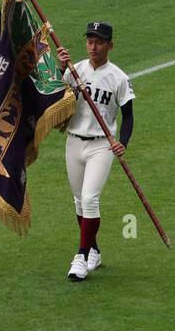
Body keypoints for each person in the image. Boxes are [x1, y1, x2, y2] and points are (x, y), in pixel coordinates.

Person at [56, 21, 134, 280]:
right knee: (79, 201)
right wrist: (59, 68)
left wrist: (122, 141)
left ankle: (80, 256)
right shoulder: (74, 70)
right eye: (90, 41)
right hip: (74, 141)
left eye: (99, 42)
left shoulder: (119, 77)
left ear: (110, 45)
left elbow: (128, 115)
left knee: (90, 198)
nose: (93, 47)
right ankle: (94, 251)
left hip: (102, 144)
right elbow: (55, 96)